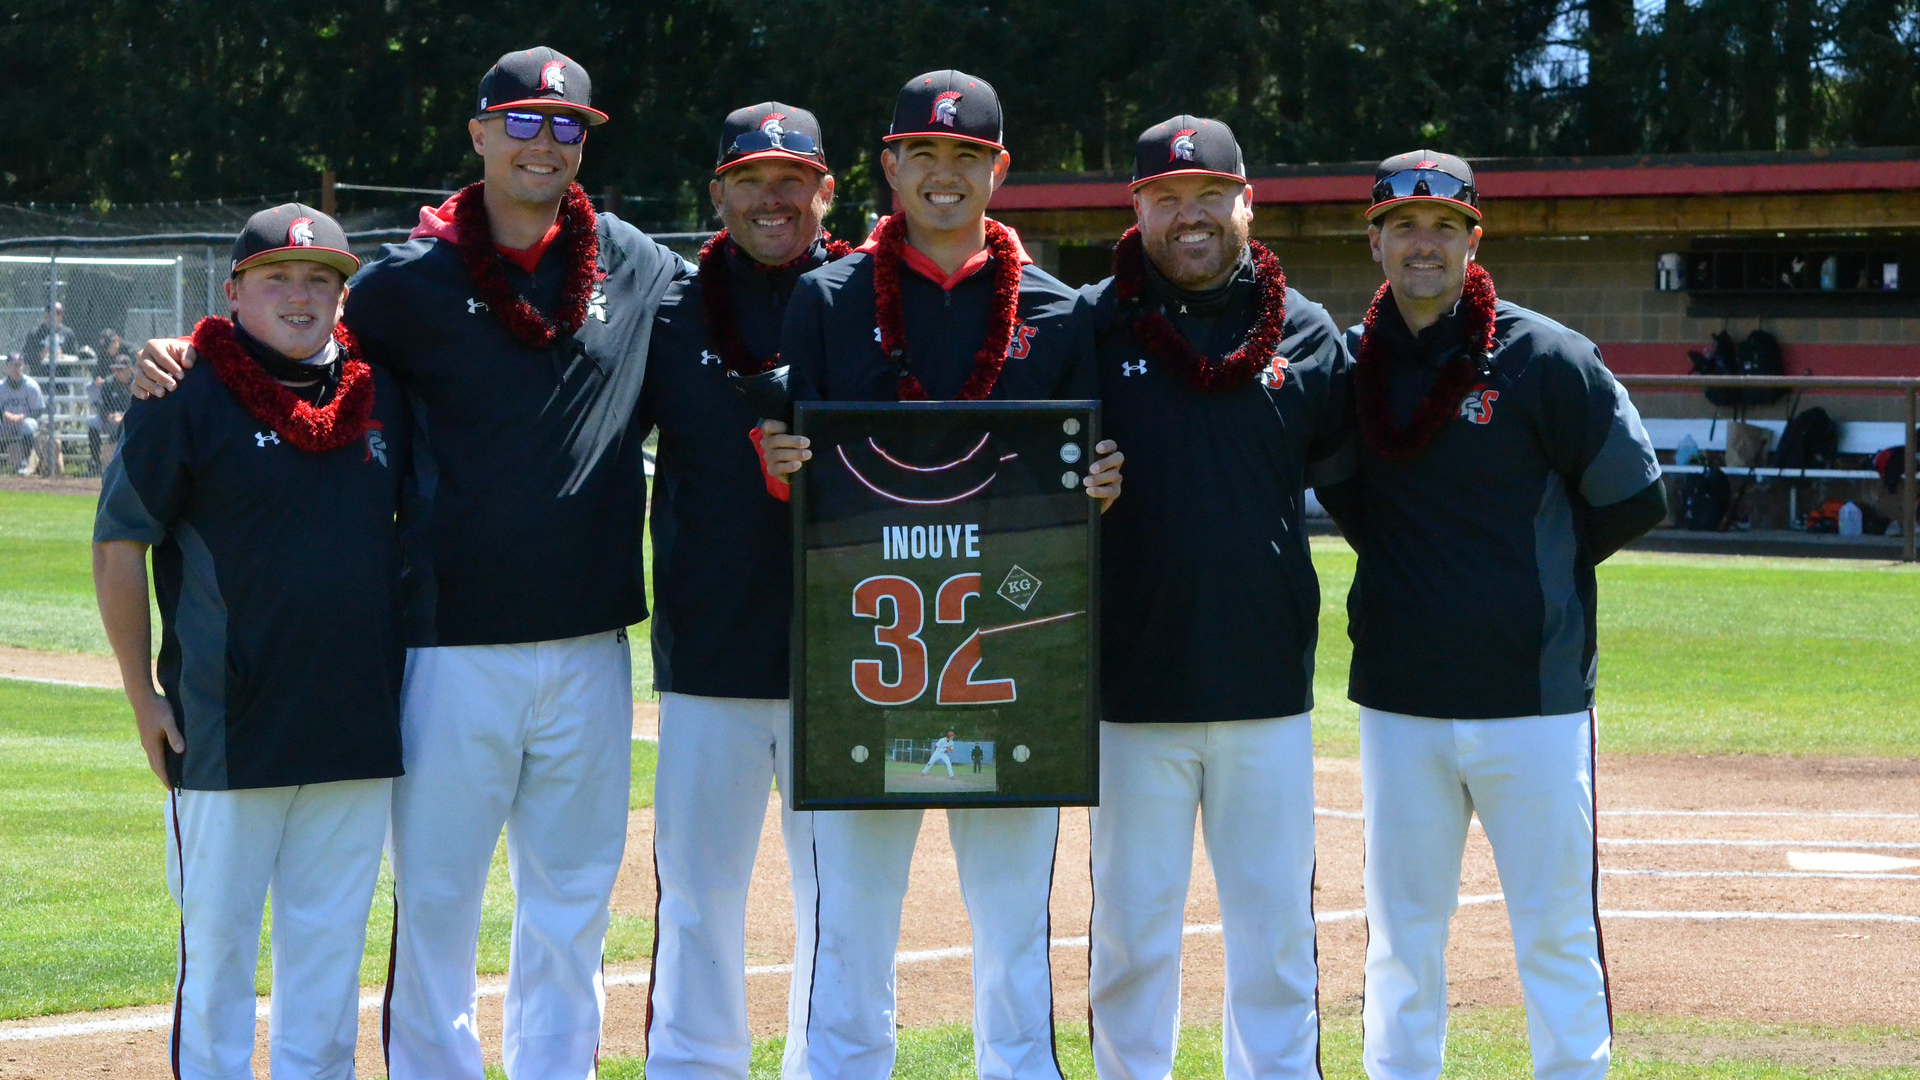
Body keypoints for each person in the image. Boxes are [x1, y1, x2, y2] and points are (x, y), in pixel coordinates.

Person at [130, 47, 688, 1080]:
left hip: (593, 645)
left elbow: (745, 318)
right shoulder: (403, 285)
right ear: (477, 135)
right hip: (445, 645)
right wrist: (187, 351)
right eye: (521, 122)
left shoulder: (636, 262)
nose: (544, 142)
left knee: (571, 906)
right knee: (436, 903)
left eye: (566, 126)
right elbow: (287, 331)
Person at [759, 69, 1122, 1080]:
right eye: (925, 154)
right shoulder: (827, 300)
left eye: (968, 157)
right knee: (853, 919)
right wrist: (781, 464)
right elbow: (803, 474)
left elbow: (1080, 480)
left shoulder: (1056, 309)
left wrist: (1099, 481)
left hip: (1008, 667)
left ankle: (1019, 1069)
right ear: (890, 166)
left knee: (1012, 919)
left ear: (998, 169)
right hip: (865, 665)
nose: (946, 175)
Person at [1321, 151, 1666, 1080]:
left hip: (1535, 701)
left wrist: (1534, 573)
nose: (1421, 243)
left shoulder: (1548, 356)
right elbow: (1352, 497)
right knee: (1400, 939)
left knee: (1553, 933)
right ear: (1376, 242)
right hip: (1400, 701)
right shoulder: (1356, 366)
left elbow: (1634, 496)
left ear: (1475, 238)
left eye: (1442, 225)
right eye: (1402, 226)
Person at [92, 205, 409, 1080]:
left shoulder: (381, 392)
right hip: (222, 729)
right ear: (234, 292)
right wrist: (141, 695)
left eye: (321, 279)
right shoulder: (184, 391)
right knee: (220, 959)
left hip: (353, 726)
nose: (301, 295)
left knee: (328, 959)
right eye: (278, 277)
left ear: (345, 296)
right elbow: (120, 545)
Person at [1080, 116, 1352, 1080]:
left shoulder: (1309, 332)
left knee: (1277, 934)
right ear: (1138, 208)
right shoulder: (1089, 323)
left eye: (1209, 197)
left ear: (1248, 200)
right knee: (1131, 936)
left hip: (1265, 684)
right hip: (1129, 688)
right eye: (1167, 199)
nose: (1189, 218)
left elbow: (1366, 478)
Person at [637, 101, 846, 1080]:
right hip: (708, 650)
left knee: (839, 898)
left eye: (792, 179)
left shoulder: (866, 301)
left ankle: (830, 1065)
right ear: (717, 192)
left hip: (848, 657)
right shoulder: (667, 313)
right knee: (696, 893)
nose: (773, 198)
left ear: (826, 191)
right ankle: (693, 1066)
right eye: (751, 179)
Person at [0, 353, 46, 475]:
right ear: (6, 368)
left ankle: (25, 462)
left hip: (25, 422)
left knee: (28, 425)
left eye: (19, 365)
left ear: (23, 366)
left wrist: (21, 417)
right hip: (6, 423)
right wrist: (4, 414)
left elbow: (39, 410)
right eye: (13, 365)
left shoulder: (31, 385)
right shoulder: (1, 386)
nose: (16, 369)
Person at [88, 355, 135, 473]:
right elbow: (101, 405)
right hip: (111, 419)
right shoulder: (109, 382)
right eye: (115, 369)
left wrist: (125, 416)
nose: (117, 372)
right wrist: (107, 416)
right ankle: (95, 462)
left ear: (130, 369)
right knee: (93, 422)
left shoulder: (137, 382)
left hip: (131, 419)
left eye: (121, 369)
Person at [21, 302, 77, 377]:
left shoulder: (68, 333)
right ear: (46, 314)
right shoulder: (35, 333)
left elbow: (75, 357)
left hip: (61, 380)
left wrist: (62, 355)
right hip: (40, 378)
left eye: (58, 313)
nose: (55, 316)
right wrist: (40, 355)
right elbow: (25, 357)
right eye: (52, 313)